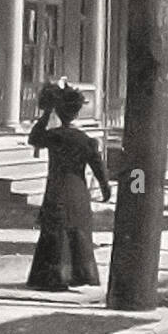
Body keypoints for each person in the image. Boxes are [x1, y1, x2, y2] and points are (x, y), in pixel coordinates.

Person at [26, 82, 111, 292]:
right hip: (78, 190)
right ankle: (78, 275)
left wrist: (47, 113)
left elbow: (33, 138)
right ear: (76, 114)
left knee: (54, 232)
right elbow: (98, 167)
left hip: (57, 187)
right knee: (77, 231)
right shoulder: (86, 140)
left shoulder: (55, 137)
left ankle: (51, 276)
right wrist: (105, 188)